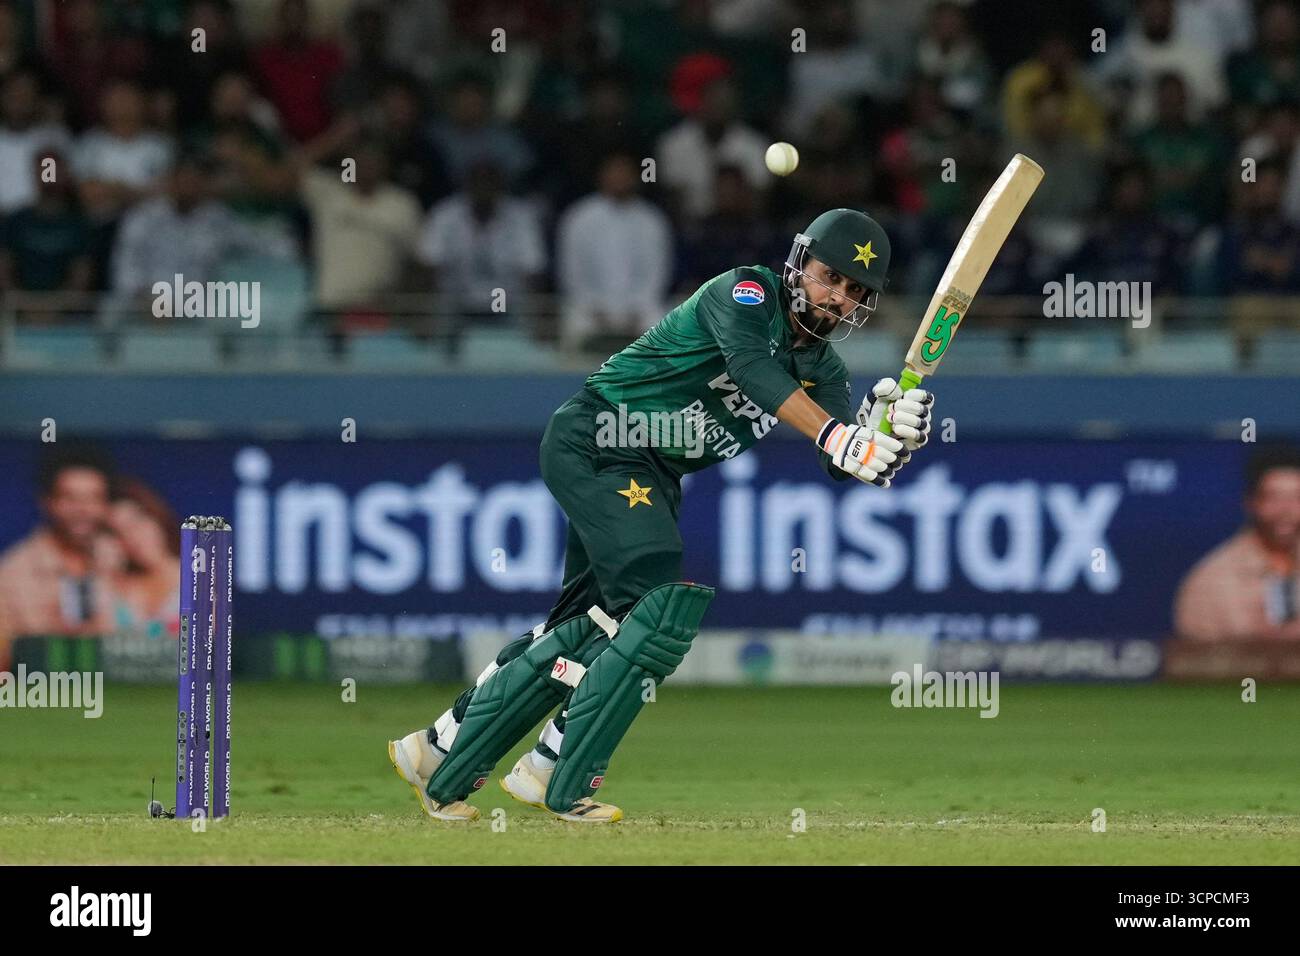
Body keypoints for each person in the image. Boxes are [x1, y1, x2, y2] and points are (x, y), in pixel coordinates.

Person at [389, 209, 936, 823]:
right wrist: (841, 435)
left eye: (853, 291)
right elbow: (756, 373)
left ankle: (437, 747)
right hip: (600, 437)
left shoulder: (825, 369)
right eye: (828, 276)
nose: (836, 297)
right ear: (799, 262)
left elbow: (843, 464)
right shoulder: (746, 293)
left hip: (652, 475)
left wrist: (885, 434)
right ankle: (550, 770)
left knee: (582, 626)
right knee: (655, 593)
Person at [0, 446, 118, 670]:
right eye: (69, 498)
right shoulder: (12, 572)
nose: (83, 509)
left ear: (106, 505)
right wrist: (49, 641)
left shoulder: (122, 555)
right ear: (47, 502)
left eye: (93, 498)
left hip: (127, 695)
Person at [1173, 446, 1300, 640]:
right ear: (1251, 503)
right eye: (1273, 498)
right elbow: (1190, 664)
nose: (1286, 510)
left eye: (1296, 498)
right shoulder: (1211, 581)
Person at [106, 478, 181, 638]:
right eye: (119, 532)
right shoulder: (114, 586)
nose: (132, 537)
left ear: (155, 517)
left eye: (136, 522)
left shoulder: (201, 579)